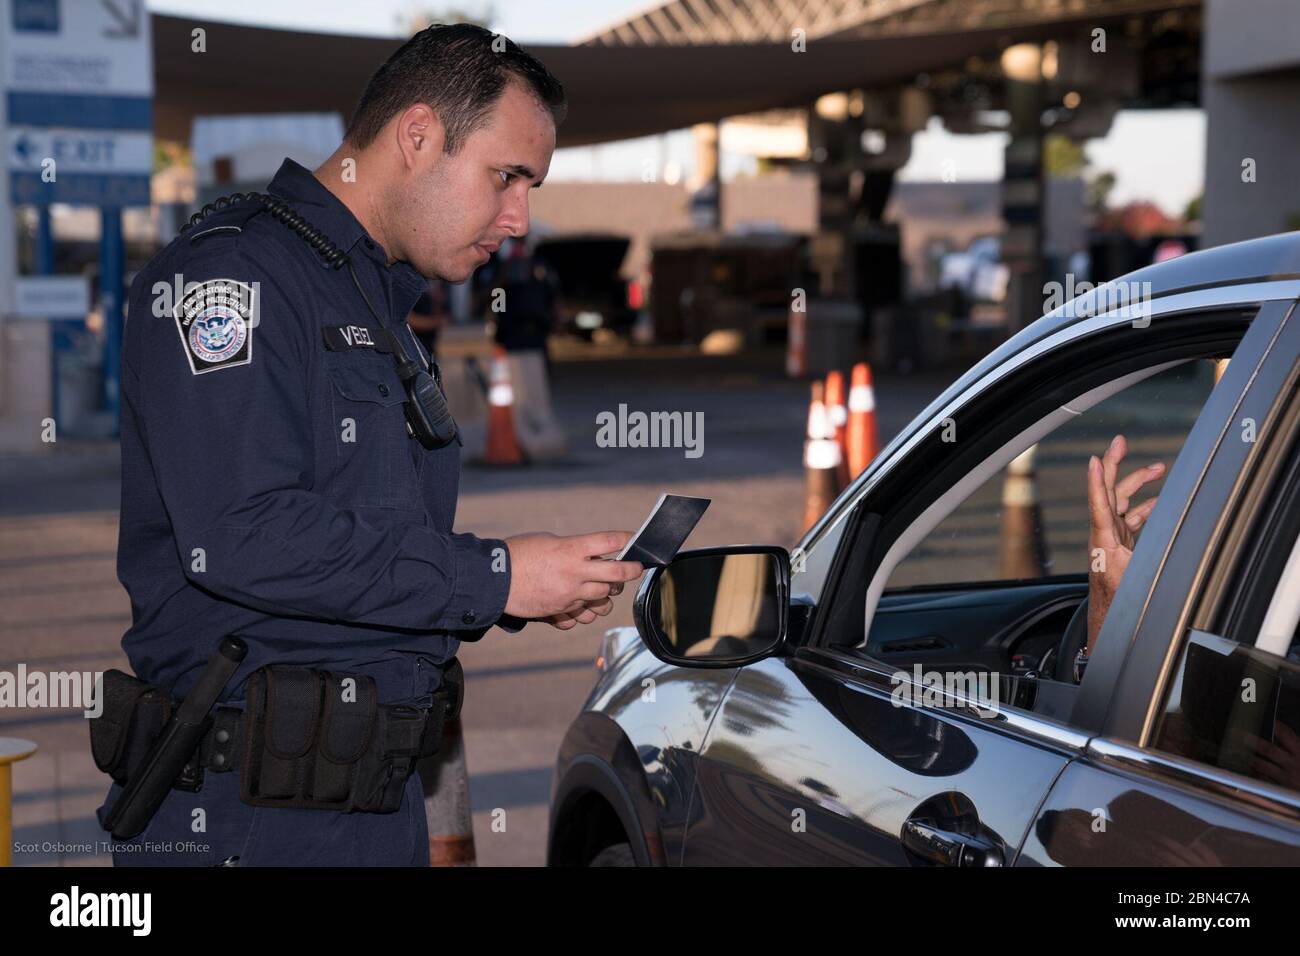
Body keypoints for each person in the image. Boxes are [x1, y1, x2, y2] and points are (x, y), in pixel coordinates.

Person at [96, 23, 643, 866]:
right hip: (245, 818)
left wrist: (510, 592)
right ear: (418, 136)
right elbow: (242, 535)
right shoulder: (230, 280)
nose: (520, 216)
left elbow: (359, 543)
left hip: (365, 801)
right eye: (507, 176)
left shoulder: (368, 301)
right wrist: (495, 573)